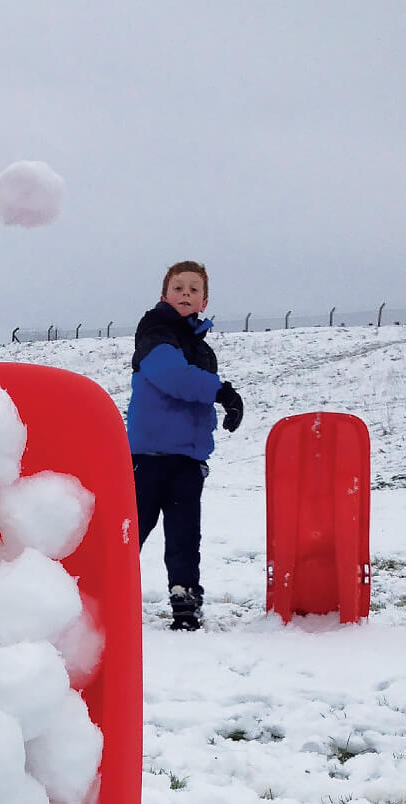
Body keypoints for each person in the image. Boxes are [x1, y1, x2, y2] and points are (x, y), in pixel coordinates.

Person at [126, 262, 243, 630]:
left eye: (194, 289)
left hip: (187, 459)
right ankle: (103, 593)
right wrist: (222, 392)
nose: (186, 294)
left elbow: (193, 395)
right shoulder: (156, 333)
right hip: (148, 457)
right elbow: (172, 377)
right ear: (165, 296)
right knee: (132, 532)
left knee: (184, 535)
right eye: (179, 288)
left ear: (204, 303)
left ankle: (186, 603)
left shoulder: (201, 348)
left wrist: (214, 414)